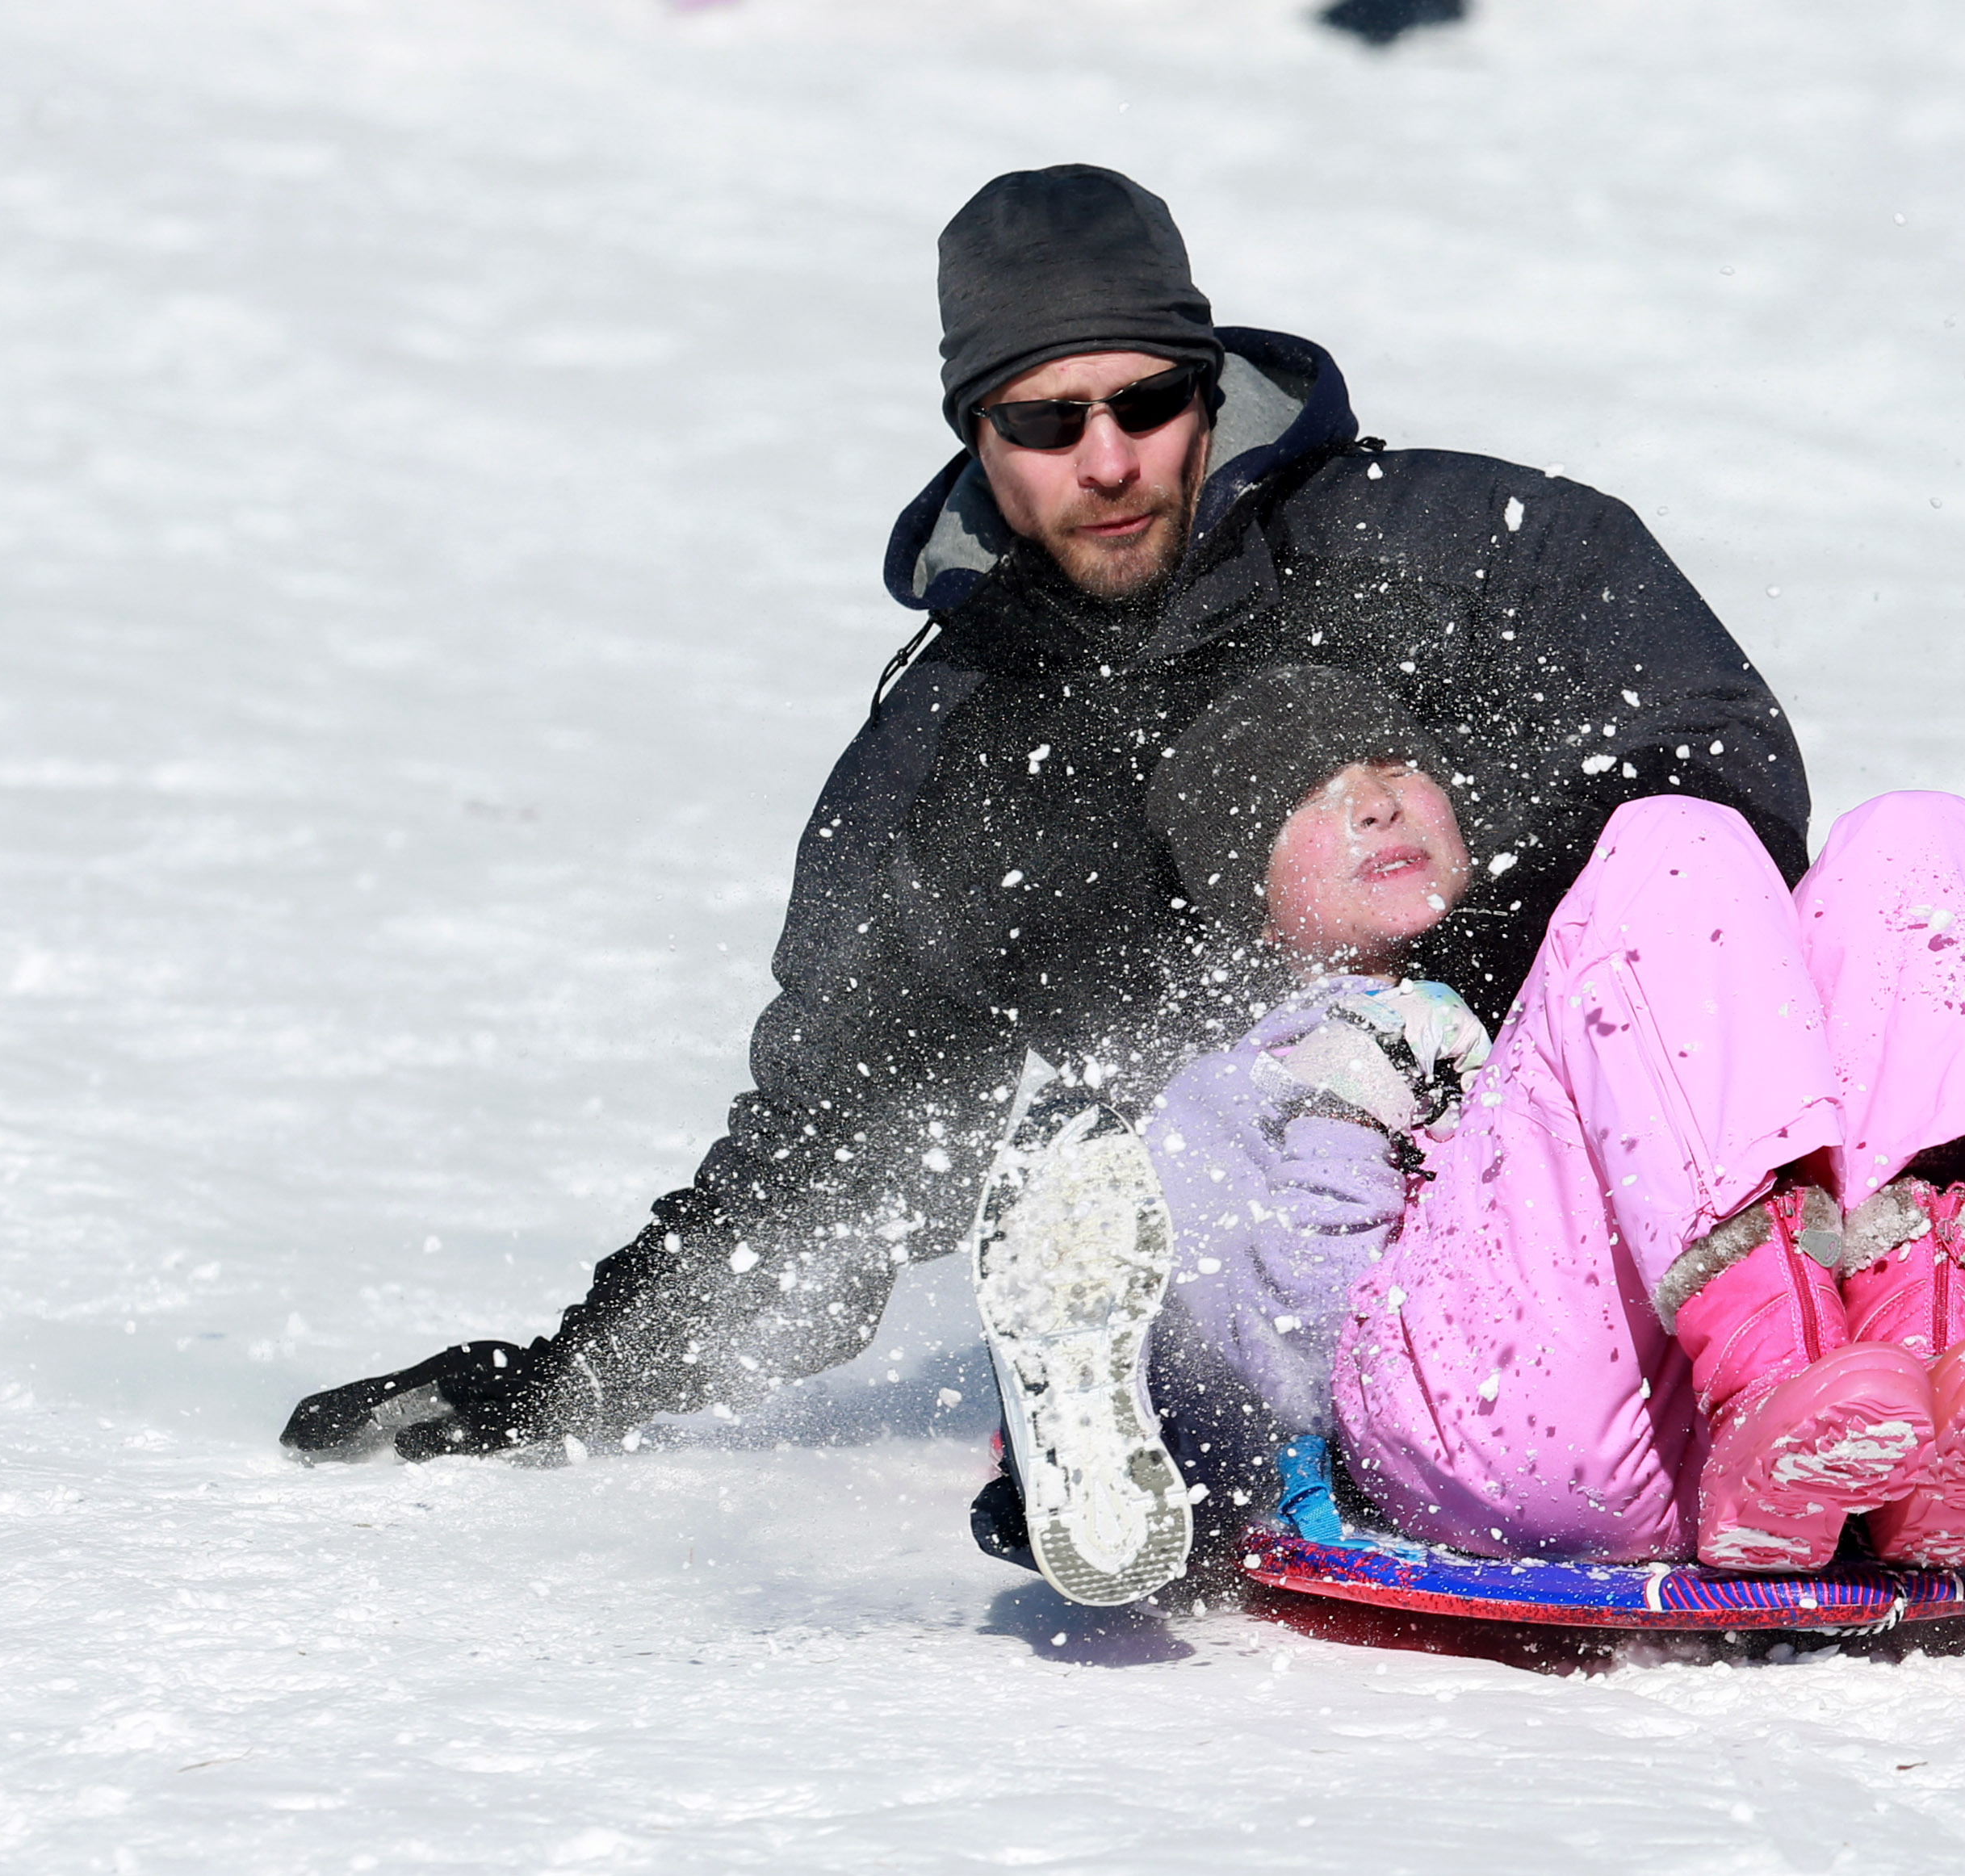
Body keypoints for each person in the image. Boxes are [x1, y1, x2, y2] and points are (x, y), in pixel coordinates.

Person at [282, 165, 1811, 1468]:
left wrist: (1450, 984)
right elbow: (836, 1139)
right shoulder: (963, 759)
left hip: (1624, 1157)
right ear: (978, 438)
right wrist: (573, 1378)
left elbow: (1714, 775)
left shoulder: (1456, 545)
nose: (1108, 456)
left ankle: (1877, 1358)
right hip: (1312, 1264)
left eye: (1147, 400)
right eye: (1046, 418)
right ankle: (1112, 1453)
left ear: (1209, 385)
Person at [1116, 668, 1965, 1575]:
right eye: (1307, 795)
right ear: (1240, 894)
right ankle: (1780, 1380)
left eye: (1391, 764)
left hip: (1668, 1416)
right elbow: (1235, 1342)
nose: (1374, 800)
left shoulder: (1520, 1005)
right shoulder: (1244, 1072)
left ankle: (1913, 1384)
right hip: (1459, 1431)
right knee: (1676, 839)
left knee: (1920, 837)